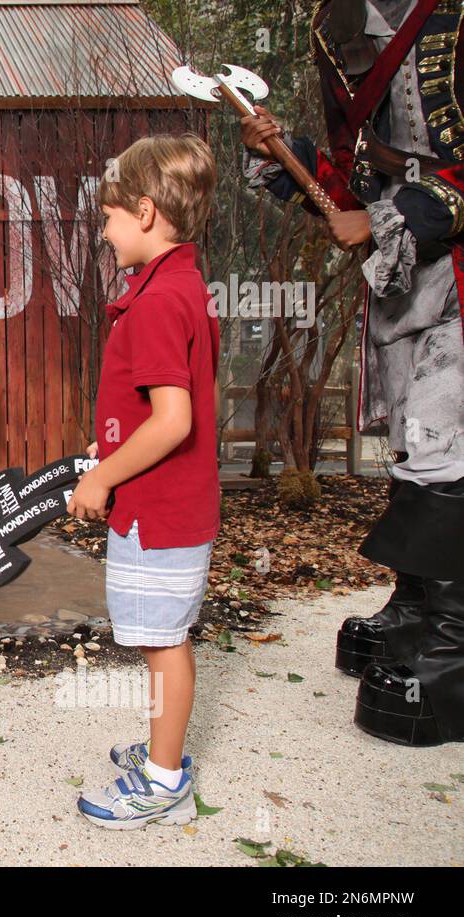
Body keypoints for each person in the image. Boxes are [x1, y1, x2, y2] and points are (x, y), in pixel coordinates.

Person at [240, 0, 464, 745]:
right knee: (414, 441)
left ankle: (455, 643)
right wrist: (288, 158)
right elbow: (355, 180)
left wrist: (396, 215)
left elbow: (399, 197)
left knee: (443, 445)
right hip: (407, 278)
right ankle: (416, 605)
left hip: (454, 262)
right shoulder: (338, 23)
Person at [67, 135, 220, 828]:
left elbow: (172, 421)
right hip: (164, 506)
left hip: (159, 511)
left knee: (163, 643)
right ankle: (162, 752)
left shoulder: (159, 302)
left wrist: (102, 476)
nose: (104, 233)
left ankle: (163, 779)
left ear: (147, 212)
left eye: (108, 219)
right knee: (164, 638)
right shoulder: (174, 284)